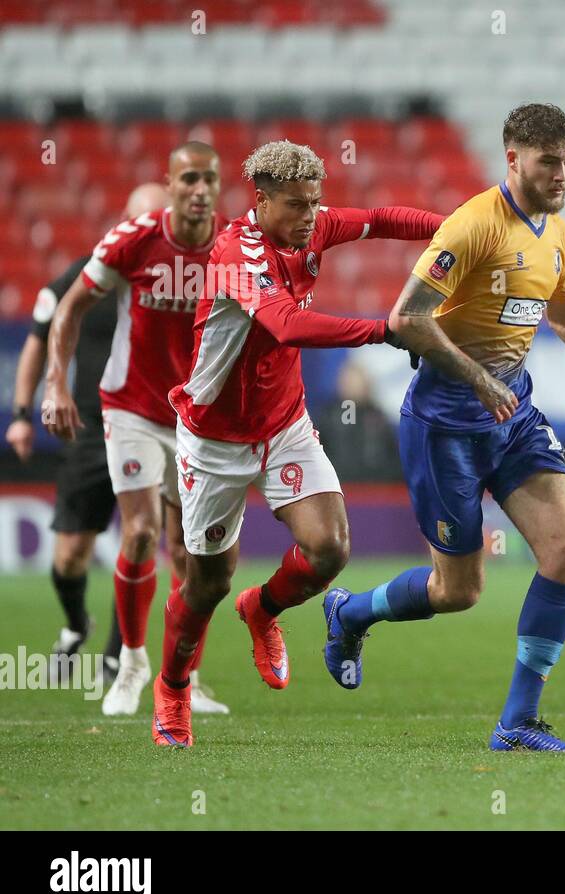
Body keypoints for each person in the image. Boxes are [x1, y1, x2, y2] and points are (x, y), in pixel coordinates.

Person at [321, 103, 565, 753]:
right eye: (548, 161)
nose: (561, 172)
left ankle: (516, 723)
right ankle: (350, 611)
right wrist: (478, 379)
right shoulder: (474, 226)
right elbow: (407, 318)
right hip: (444, 428)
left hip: (513, 420)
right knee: (458, 590)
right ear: (513, 159)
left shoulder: (557, 234)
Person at [153, 140, 444, 747]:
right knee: (207, 583)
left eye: (315, 203)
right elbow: (287, 324)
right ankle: (173, 689)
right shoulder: (235, 254)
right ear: (260, 202)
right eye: (296, 205)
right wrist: (383, 330)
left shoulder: (312, 226)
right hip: (214, 440)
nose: (311, 216)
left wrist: (460, 229)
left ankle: (263, 610)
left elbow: (385, 220)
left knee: (329, 548)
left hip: (283, 424)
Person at [44, 145, 231, 716]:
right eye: (189, 178)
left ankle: (186, 679)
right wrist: (55, 384)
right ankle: (130, 663)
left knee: (191, 552)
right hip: (129, 407)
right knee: (142, 532)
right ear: (170, 184)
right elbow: (69, 306)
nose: (200, 189)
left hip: (195, 418)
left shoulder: (233, 246)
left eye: (210, 180)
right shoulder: (134, 241)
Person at [5, 183, 166, 687]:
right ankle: (77, 626)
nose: (152, 233)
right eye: (143, 221)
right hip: (93, 431)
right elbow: (39, 340)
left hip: (155, 426)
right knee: (69, 555)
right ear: (123, 220)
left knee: (140, 536)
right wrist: (24, 412)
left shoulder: (175, 279)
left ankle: (120, 653)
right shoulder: (84, 277)